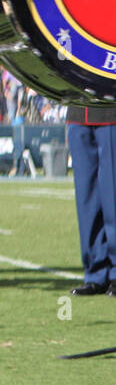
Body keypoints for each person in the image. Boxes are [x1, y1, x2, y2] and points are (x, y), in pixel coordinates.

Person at [66, 103, 116, 296]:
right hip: (78, 112)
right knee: (86, 200)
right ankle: (95, 273)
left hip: (110, 110)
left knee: (112, 196)